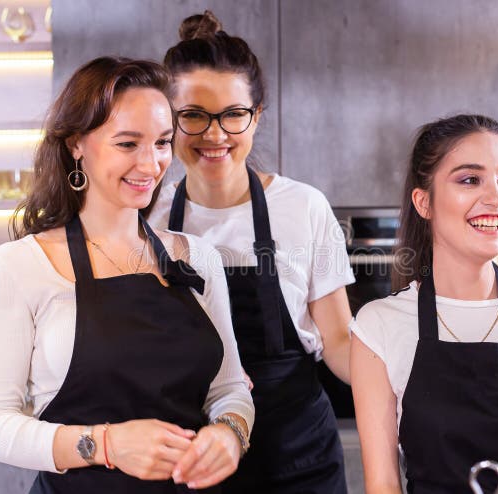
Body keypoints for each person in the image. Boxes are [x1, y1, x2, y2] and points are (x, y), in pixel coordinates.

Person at [0, 56, 254, 494]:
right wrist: (106, 444)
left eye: (162, 142)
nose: (151, 165)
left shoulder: (199, 258)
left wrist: (231, 433)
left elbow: (229, 389)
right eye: (127, 144)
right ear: (76, 144)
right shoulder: (15, 268)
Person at [148, 11, 354, 494]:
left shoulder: (304, 206)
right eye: (193, 115)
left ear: (256, 116)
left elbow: (339, 340)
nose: (215, 134)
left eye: (233, 114)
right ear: (168, 119)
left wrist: (408, 378)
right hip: (188, 457)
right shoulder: (146, 216)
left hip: (299, 456)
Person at [350, 114, 498, 493]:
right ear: (424, 202)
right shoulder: (378, 326)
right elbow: (383, 485)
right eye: (469, 180)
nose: (496, 198)